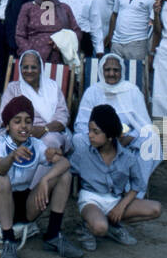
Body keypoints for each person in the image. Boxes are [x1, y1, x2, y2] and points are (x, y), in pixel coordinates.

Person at [0, 97, 82, 258]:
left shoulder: (36, 145)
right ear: (7, 125)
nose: (23, 126)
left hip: (26, 202)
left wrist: (45, 179)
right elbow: (0, 168)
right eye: (17, 122)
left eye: (28, 121)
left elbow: (65, 163)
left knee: (64, 175)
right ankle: (8, 241)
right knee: (1, 179)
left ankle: (53, 235)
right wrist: (11, 156)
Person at [69, 103, 161, 249]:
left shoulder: (128, 158)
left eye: (96, 132)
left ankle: (113, 224)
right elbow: (67, 168)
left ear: (110, 136)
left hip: (115, 201)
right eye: (89, 130)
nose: (90, 135)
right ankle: (87, 226)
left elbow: (137, 186)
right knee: (100, 227)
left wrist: (121, 206)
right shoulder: (84, 153)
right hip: (91, 200)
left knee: (155, 208)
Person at [74, 52, 161, 197]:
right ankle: (98, 186)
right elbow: (81, 124)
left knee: (152, 138)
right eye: (107, 70)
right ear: (102, 71)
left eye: (116, 70)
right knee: (78, 139)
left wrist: (130, 137)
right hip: (99, 138)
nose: (111, 74)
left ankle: (134, 192)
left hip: (127, 138)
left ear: (122, 71)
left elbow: (144, 124)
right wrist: (101, 137)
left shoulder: (132, 90)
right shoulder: (92, 92)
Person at [0, 50, 71, 152]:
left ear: (40, 69)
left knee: (51, 140)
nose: (29, 71)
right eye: (25, 67)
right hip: (18, 129)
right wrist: (23, 129)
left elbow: (62, 116)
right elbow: (3, 117)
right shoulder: (13, 88)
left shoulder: (52, 87)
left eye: (33, 67)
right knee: (3, 140)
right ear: (20, 68)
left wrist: (44, 129)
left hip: (48, 131)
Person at [13, 0, 81, 65]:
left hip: (59, 60)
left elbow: (76, 31)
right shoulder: (27, 8)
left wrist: (63, 44)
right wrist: (31, 53)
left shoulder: (64, 8)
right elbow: (20, 35)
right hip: (33, 62)